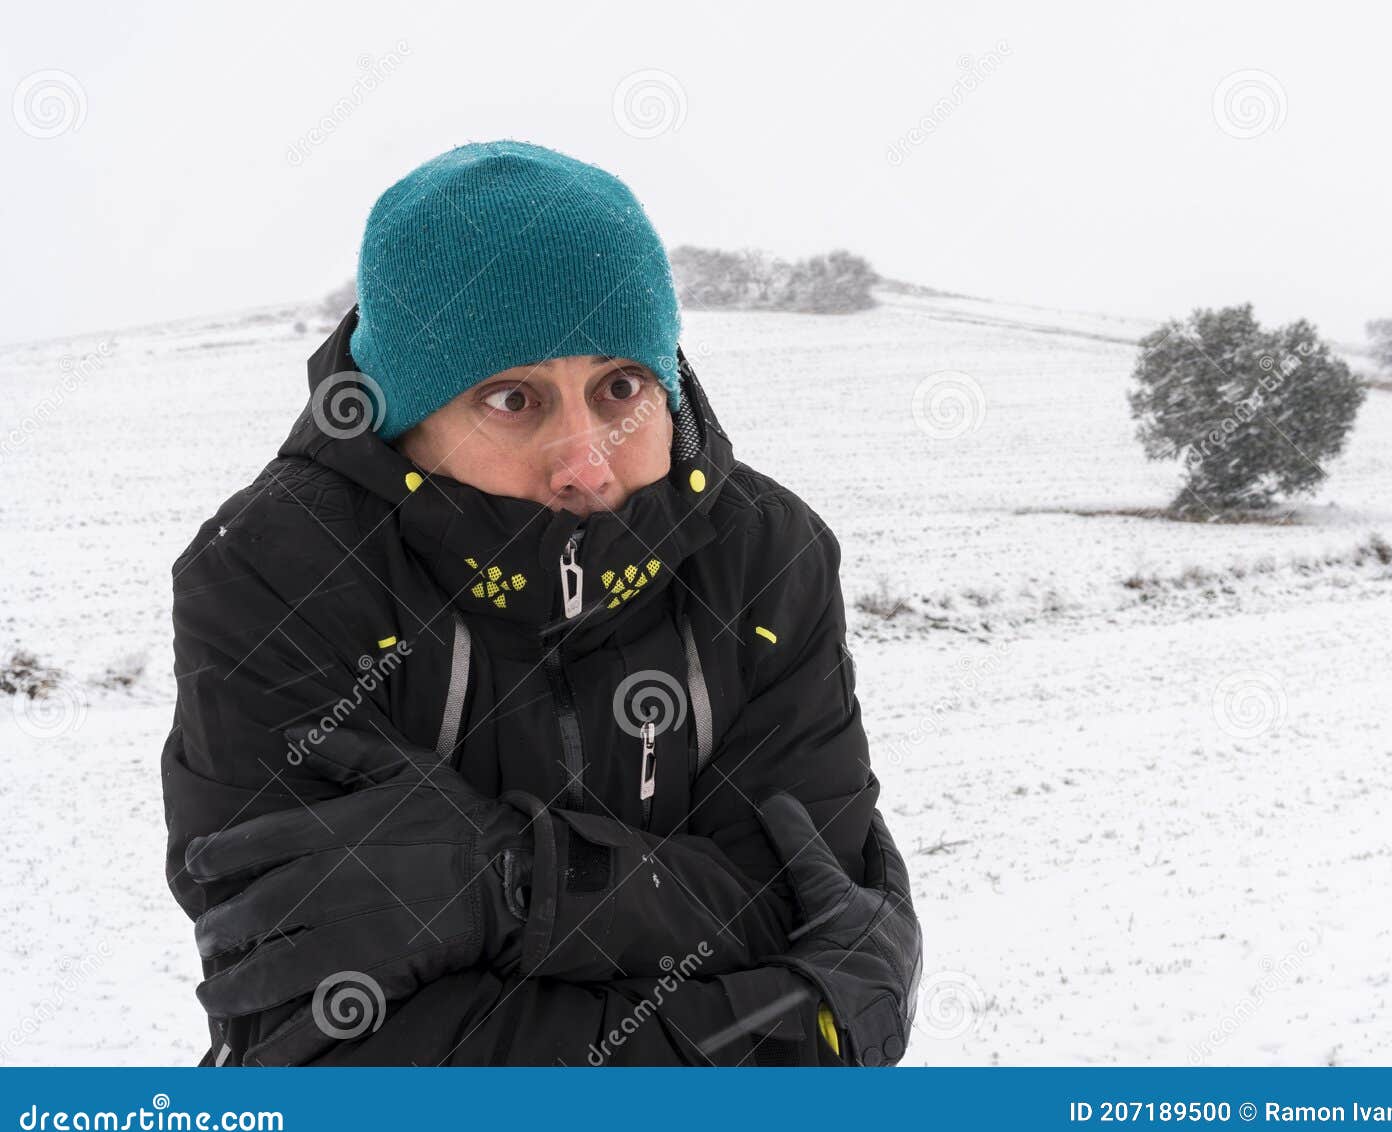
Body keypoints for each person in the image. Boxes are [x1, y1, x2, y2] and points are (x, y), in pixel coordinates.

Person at [160, 139, 922, 1066]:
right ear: (405, 417)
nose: (587, 462)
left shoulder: (767, 554)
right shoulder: (276, 576)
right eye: (513, 397)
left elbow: (803, 893)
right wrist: (791, 1040)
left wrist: (514, 882)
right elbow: (321, 1046)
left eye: (621, 386)